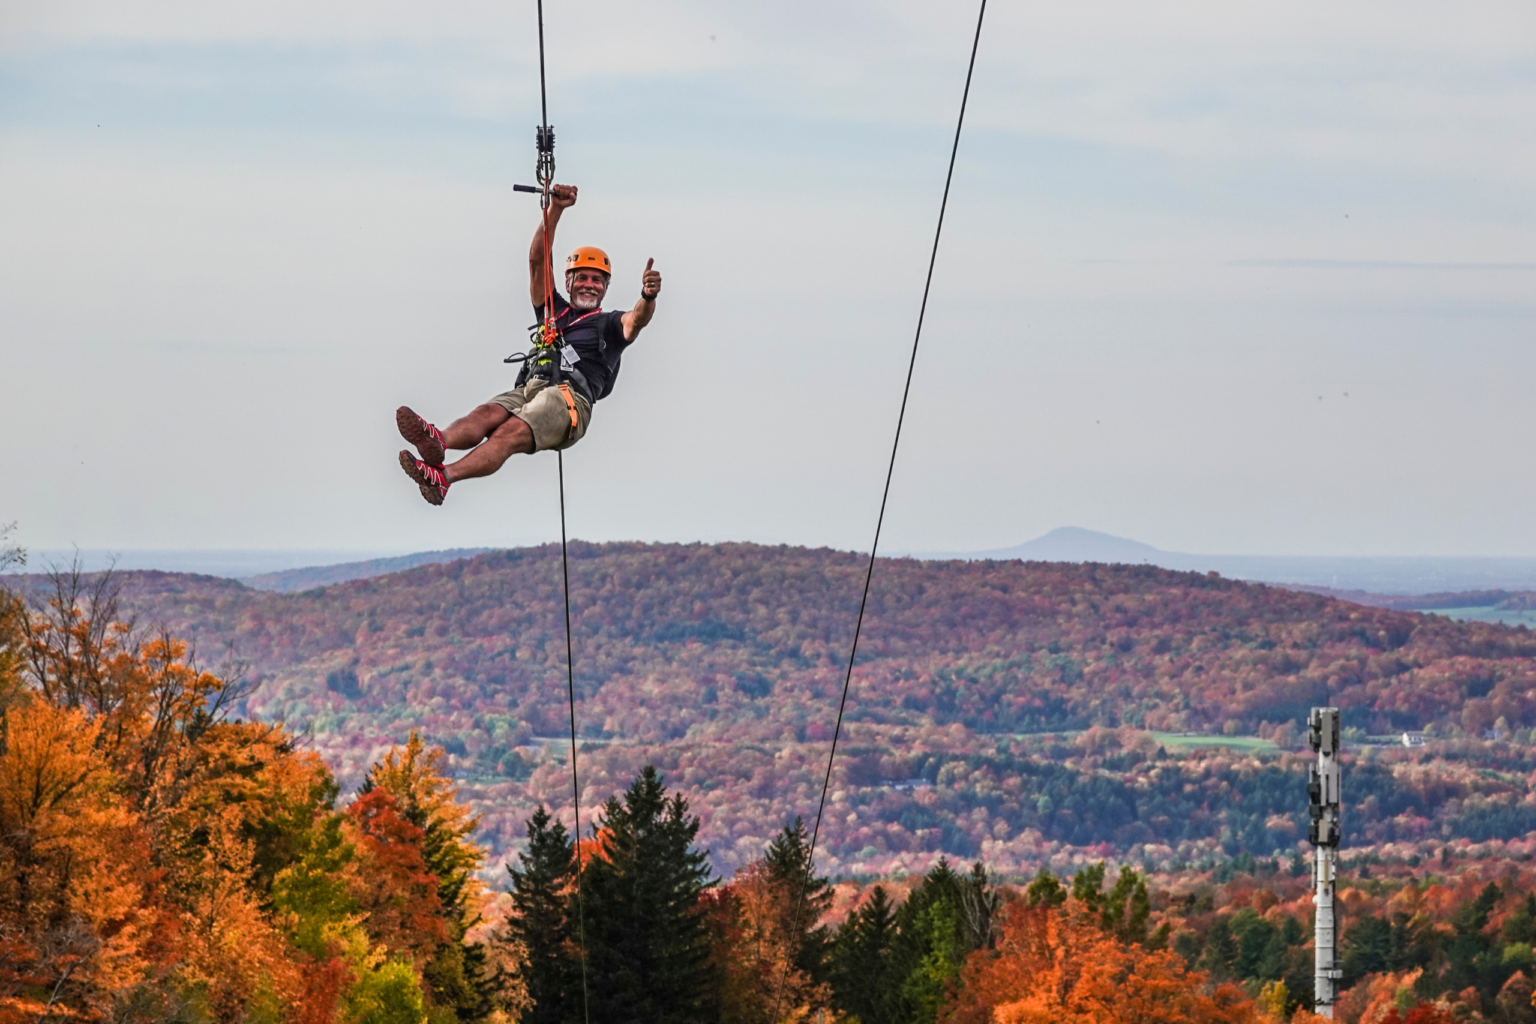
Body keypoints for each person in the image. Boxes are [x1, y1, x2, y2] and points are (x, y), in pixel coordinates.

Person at [396, 183, 661, 505]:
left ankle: (444, 477)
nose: (588, 285)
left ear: (605, 287)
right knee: (487, 413)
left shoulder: (610, 323)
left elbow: (638, 319)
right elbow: (537, 263)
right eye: (582, 277)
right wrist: (556, 209)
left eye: (596, 280)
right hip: (532, 387)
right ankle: (439, 440)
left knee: (508, 434)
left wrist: (647, 296)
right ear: (568, 282)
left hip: (568, 400)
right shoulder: (554, 310)